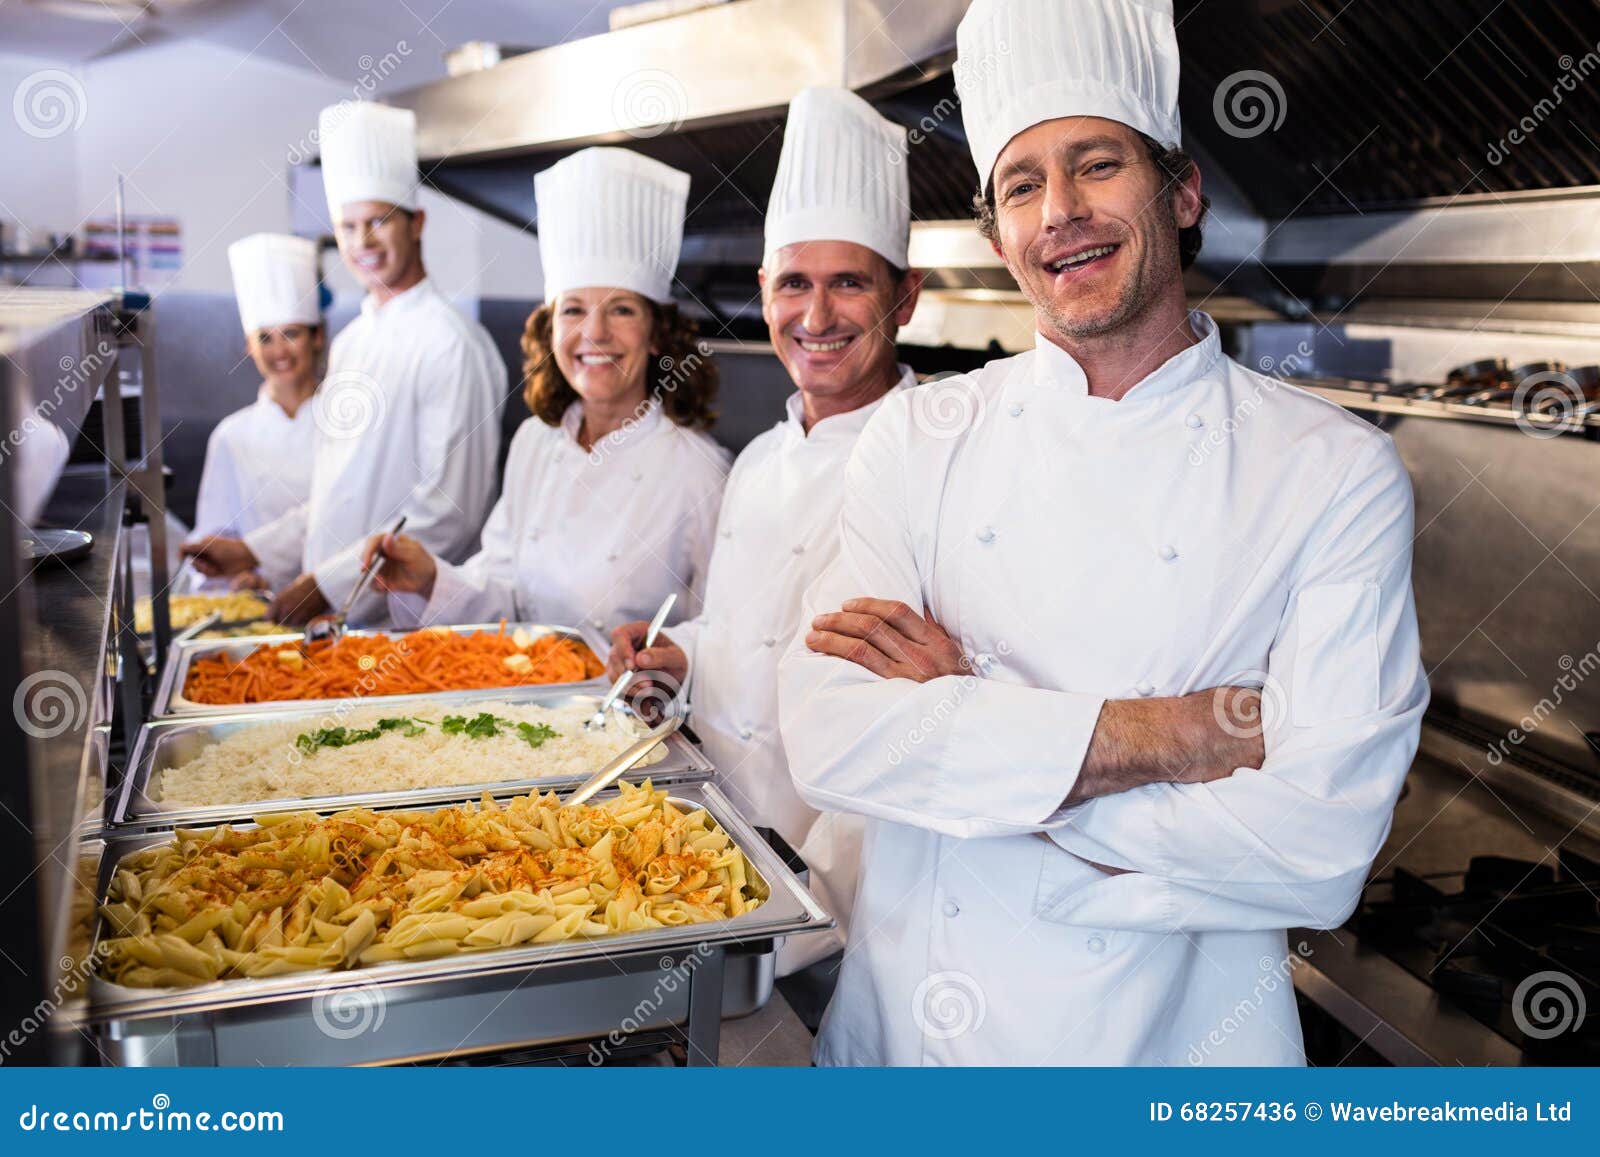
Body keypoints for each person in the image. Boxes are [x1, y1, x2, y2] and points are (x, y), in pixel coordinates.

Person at [777, 0, 1428, 1066]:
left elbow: (1316, 847)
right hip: (904, 1047)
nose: (1060, 212)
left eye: (1096, 166)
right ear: (997, 239)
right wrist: (1167, 737)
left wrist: (970, 735)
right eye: (1021, 185)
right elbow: (835, 740)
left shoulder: (1332, 471)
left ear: (1180, 193)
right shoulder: (917, 433)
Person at [607, 88, 922, 982]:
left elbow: (917, 717)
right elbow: (756, 635)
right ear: (763, 294)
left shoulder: (936, 459)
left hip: (844, 915)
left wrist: (799, 912)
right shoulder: (758, 460)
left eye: (848, 282)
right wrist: (681, 652)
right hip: (712, 860)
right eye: (794, 283)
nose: (816, 316)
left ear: (906, 296)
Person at [365, 148, 728, 634]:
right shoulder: (535, 444)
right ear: (550, 328)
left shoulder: (699, 472)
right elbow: (503, 589)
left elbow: (720, 634)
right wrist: (429, 578)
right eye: (573, 310)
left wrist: (668, 660)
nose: (594, 334)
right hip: (527, 701)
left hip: (631, 709)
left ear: (656, 333)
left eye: (621, 309)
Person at [182, 102, 503, 621]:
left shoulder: (451, 342)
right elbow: (337, 492)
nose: (363, 242)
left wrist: (326, 585)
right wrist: (255, 552)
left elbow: (449, 511)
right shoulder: (353, 341)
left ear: (417, 223)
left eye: (378, 221)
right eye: (348, 227)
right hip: (342, 622)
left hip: (407, 625)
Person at [187, 234, 322, 564]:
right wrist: (233, 574)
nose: (279, 351)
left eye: (291, 333)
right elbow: (215, 534)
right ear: (249, 346)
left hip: (336, 595)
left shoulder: (348, 423)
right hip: (258, 602)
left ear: (317, 337)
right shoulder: (231, 436)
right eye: (265, 338)